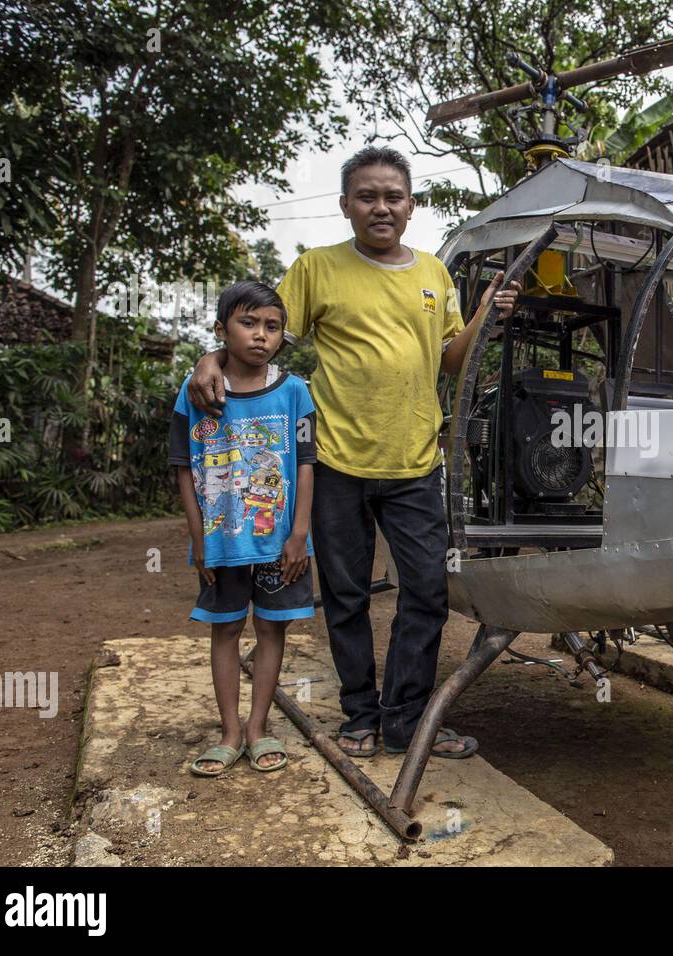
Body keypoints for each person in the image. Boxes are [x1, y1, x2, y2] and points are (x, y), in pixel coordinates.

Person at [187, 147, 520, 760]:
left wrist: (483, 318)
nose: (380, 207)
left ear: (411, 206)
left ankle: (406, 717)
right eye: (367, 196)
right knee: (346, 596)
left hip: (417, 462)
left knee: (426, 593)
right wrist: (209, 359)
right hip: (335, 460)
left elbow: (450, 358)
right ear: (345, 205)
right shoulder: (317, 268)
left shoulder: (433, 274)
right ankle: (360, 717)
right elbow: (262, 331)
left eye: (393, 196)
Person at [170, 280, 317, 776]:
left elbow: (305, 464)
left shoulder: (295, 392)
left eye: (272, 327)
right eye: (248, 323)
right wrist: (198, 540)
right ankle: (230, 731)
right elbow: (183, 469)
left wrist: (299, 534)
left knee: (272, 630)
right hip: (222, 542)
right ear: (221, 330)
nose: (261, 336)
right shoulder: (196, 394)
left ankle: (258, 727)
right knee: (226, 629)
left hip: (280, 543)